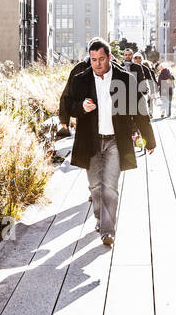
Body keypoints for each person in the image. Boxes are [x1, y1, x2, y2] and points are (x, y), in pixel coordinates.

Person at [59, 38, 156, 247]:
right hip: (91, 141)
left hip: (115, 141)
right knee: (95, 186)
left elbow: (140, 110)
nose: (97, 64)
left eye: (101, 59)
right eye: (93, 59)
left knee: (110, 187)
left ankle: (108, 230)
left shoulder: (126, 79)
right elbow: (69, 105)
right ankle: (99, 218)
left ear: (110, 57)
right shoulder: (81, 79)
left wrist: (149, 139)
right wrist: (81, 107)